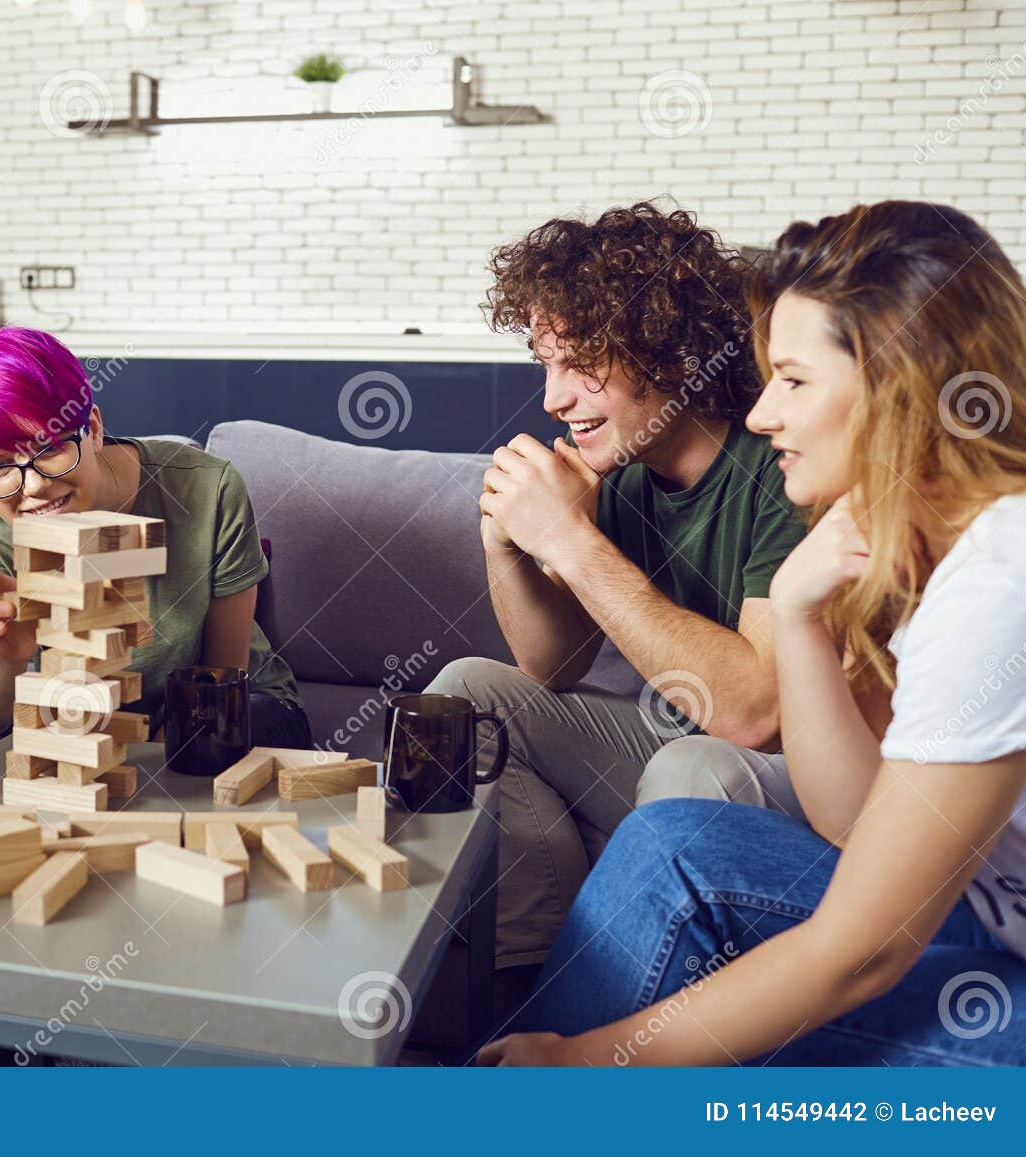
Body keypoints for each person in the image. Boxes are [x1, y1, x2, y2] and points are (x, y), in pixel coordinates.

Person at [483, 201, 1026, 1065]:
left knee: (695, 899)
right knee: (675, 847)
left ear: (902, 386)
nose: (765, 411)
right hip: (985, 927)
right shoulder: (932, 551)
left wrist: (583, 1066)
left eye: (796, 381)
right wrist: (801, 612)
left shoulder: (1001, 576)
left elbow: (864, 950)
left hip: (980, 959)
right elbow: (856, 828)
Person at [426, 202, 809, 976]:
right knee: (465, 693)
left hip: (796, 768)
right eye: (544, 365)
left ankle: (615, 1021)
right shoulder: (628, 480)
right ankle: (532, 977)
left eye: (578, 364)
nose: (552, 399)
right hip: (678, 734)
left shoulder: (784, 465)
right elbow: (552, 669)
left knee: (690, 768)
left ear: (666, 350)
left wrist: (569, 539)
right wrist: (507, 535)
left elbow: (755, 713)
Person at [0, 326, 308, 746]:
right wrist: (10, 654)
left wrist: (145, 770)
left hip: (230, 708)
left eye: (49, 448)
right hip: (86, 730)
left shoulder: (208, 489)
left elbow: (218, 683)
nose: (33, 487)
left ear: (91, 427)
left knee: (196, 745)